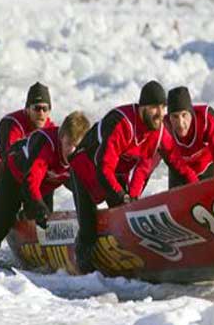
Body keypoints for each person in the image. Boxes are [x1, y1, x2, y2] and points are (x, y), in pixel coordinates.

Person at [69, 81, 196, 273]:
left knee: (125, 219)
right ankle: (83, 270)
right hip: (86, 168)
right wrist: (121, 196)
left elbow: (177, 164)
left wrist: (201, 188)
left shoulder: (159, 131)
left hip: (115, 173)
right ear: (142, 108)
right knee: (89, 228)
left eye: (162, 107)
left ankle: (128, 263)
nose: (160, 113)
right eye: (154, 107)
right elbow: (104, 168)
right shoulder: (122, 124)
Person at [0, 111, 90, 261]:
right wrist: (39, 207)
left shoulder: (81, 152)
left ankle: (24, 217)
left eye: (76, 145)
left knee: (43, 224)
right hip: (14, 178)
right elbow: (31, 182)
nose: (71, 151)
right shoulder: (46, 145)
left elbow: (85, 183)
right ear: (61, 137)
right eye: (68, 144)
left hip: (44, 181)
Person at [0, 82, 54, 202]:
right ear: (27, 109)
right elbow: (10, 159)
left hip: (4, 181)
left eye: (44, 109)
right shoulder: (12, 125)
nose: (41, 113)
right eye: (36, 108)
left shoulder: (50, 131)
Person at [159, 86, 214, 188]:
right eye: (175, 116)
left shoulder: (205, 118)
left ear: (191, 113)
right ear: (169, 117)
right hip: (180, 173)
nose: (180, 123)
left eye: (184, 115)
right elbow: (172, 161)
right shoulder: (164, 128)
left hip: (208, 168)